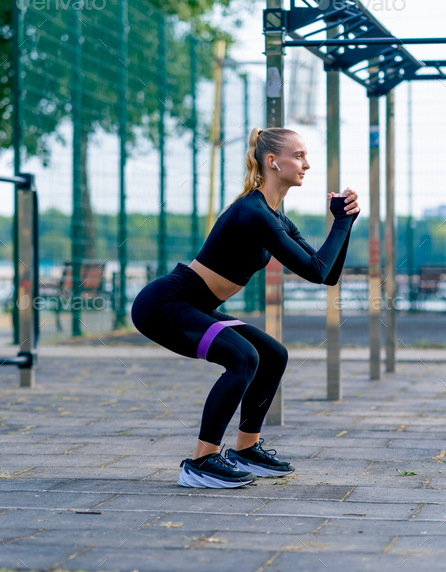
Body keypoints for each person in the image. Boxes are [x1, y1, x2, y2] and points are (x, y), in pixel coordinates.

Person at [131, 126, 359, 489]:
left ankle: (246, 449)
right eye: (298, 156)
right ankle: (201, 462)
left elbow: (325, 273)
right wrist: (342, 222)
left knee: (273, 354)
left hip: (195, 305)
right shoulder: (253, 212)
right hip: (165, 304)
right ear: (272, 161)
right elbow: (316, 271)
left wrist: (345, 223)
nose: (307, 164)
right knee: (244, 358)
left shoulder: (276, 216)